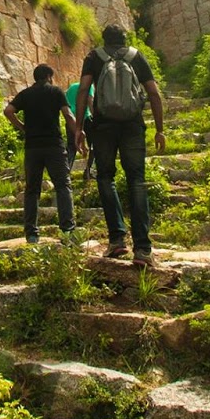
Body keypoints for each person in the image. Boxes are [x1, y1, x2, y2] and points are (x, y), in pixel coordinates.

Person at [73, 24, 165, 267]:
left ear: (104, 40)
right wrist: (160, 129)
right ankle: (143, 250)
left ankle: (116, 240)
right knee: (137, 180)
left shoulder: (94, 56)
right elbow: (154, 93)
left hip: (103, 127)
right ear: (125, 39)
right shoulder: (136, 57)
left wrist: (79, 127)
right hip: (133, 126)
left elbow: (83, 90)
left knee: (105, 177)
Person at [3, 63, 77, 244]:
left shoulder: (26, 94)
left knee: (32, 190)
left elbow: (8, 111)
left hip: (33, 147)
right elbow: (68, 115)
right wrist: (78, 133)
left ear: (35, 77)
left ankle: (32, 234)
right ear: (49, 76)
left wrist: (22, 128)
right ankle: (67, 230)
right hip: (54, 146)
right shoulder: (56, 92)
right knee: (62, 186)